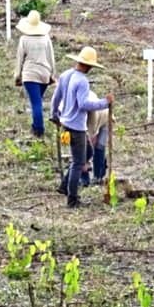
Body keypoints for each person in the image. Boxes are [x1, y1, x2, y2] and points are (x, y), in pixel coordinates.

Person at [50, 47, 112, 208]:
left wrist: (54, 114)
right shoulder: (82, 80)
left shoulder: (65, 75)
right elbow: (84, 104)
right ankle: (72, 199)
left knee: (89, 152)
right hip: (76, 126)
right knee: (78, 162)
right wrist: (105, 102)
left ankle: (65, 185)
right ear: (88, 65)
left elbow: (56, 98)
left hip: (67, 122)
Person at [13, 10, 56, 137]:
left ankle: (39, 130)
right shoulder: (46, 38)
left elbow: (19, 59)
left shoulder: (24, 39)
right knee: (37, 101)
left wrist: (17, 76)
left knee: (36, 103)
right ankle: (35, 126)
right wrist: (53, 75)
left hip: (30, 75)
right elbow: (51, 57)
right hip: (44, 75)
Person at [80, 103, 109, 187]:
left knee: (99, 147)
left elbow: (92, 139)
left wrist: (86, 160)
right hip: (90, 121)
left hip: (105, 120)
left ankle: (98, 177)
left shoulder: (93, 115)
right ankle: (85, 179)